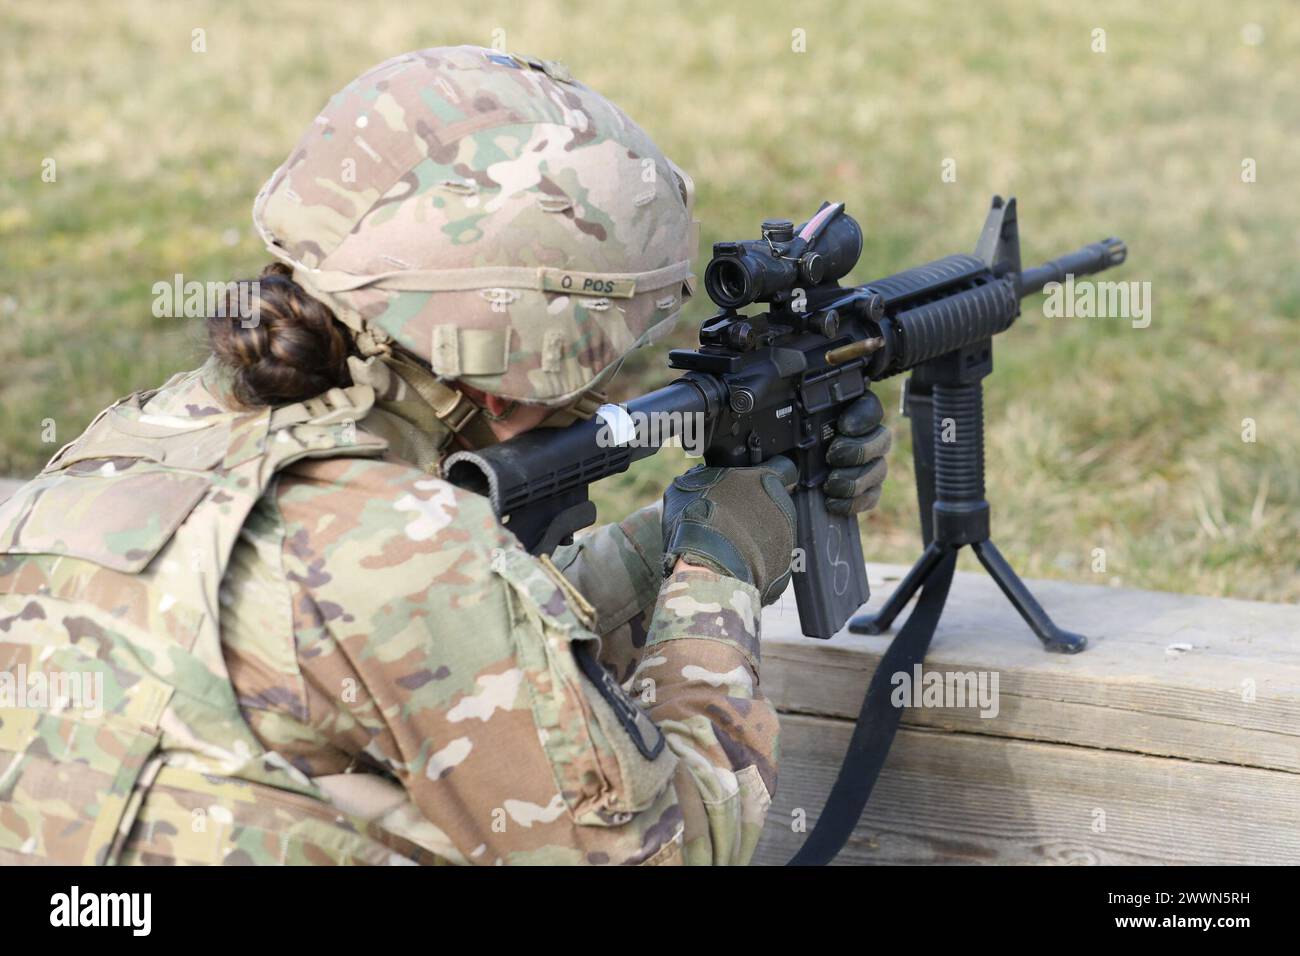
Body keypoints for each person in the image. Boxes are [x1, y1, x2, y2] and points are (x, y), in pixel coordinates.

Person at [0, 46, 889, 866]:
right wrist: (719, 571)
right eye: (604, 364)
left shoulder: (132, 443)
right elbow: (664, 849)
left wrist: (664, 542)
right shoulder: (410, 550)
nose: (607, 396)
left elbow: (433, 653)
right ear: (514, 375)